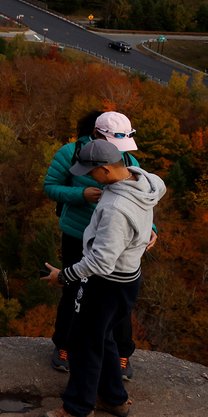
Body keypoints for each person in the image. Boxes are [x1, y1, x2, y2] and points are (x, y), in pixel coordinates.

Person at [40, 137, 166, 417]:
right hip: (128, 281)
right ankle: (113, 398)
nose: (86, 176)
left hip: (105, 284)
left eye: (90, 170)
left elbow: (100, 262)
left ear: (107, 170)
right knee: (104, 336)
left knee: (84, 343)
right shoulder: (144, 183)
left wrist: (65, 276)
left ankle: (78, 409)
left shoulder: (115, 208)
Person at [43, 110, 156, 378]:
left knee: (115, 300)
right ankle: (65, 346)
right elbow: (50, 187)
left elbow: (140, 197)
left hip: (117, 241)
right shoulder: (70, 153)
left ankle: (121, 353)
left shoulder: (128, 159)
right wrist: (80, 194)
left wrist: (150, 228)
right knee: (73, 292)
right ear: (96, 134)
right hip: (77, 233)